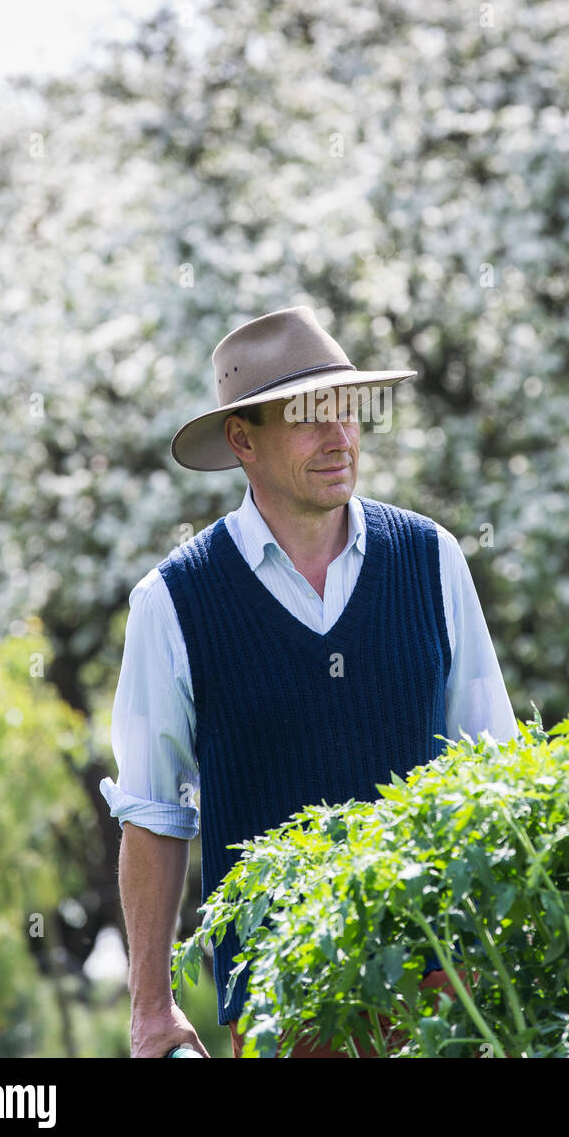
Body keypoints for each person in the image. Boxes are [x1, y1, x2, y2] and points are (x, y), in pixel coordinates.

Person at [100, 305, 519, 1058]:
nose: (339, 436)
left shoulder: (430, 560)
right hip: (281, 1005)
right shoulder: (173, 603)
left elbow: (496, 773)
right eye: (307, 416)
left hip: (447, 996)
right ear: (242, 439)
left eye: (346, 409)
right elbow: (155, 815)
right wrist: (151, 1009)